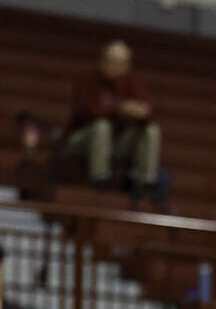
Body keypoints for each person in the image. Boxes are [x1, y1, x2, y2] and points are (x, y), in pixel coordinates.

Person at [64, 40, 162, 196]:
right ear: (103, 61)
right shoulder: (87, 80)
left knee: (151, 129)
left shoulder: (132, 82)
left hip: (116, 144)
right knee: (102, 126)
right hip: (82, 139)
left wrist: (141, 112)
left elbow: (148, 109)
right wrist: (120, 109)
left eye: (121, 63)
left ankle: (146, 181)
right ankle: (100, 177)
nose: (116, 67)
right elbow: (85, 112)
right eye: (112, 62)